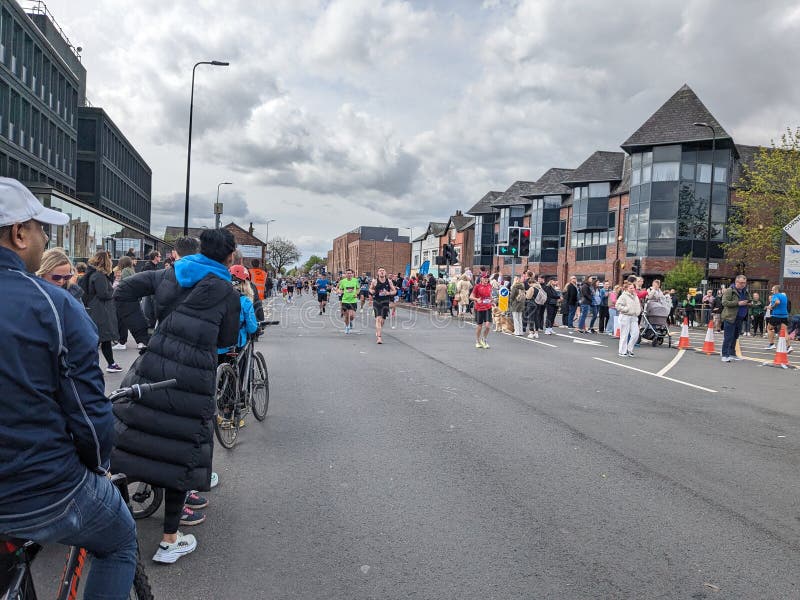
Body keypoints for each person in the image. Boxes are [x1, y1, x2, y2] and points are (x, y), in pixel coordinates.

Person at [0, 178, 138, 598]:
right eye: (40, 227)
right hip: (37, 487)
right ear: (19, 233)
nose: (44, 236)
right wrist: (98, 464)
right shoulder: (55, 305)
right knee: (118, 542)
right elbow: (89, 417)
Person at [112, 229, 240, 563]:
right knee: (181, 445)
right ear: (228, 256)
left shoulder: (170, 273)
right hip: (194, 373)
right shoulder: (226, 289)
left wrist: (144, 334)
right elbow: (227, 339)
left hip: (154, 360)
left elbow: (123, 291)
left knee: (136, 430)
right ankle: (170, 538)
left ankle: (117, 513)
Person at [83, 251, 123, 373]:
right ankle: (93, 365)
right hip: (100, 310)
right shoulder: (99, 276)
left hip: (97, 309)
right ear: (105, 261)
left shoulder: (94, 274)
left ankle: (110, 363)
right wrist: (114, 289)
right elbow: (103, 294)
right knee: (101, 338)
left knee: (102, 339)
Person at [720, 275, 752, 362]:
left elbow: (749, 299)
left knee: (735, 337)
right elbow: (724, 302)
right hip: (730, 317)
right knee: (728, 337)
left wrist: (749, 303)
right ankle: (724, 354)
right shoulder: (730, 290)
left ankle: (732, 353)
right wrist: (738, 303)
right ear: (736, 282)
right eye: (741, 283)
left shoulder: (745, 291)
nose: (742, 284)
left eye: (744, 283)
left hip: (740, 317)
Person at [113, 256, 136, 349]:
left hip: (123, 299)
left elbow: (125, 284)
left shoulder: (125, 271)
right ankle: (122, 341)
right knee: (125, 321)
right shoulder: (131, 270)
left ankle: (122, 342)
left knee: (121, 321)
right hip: (129, 299)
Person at [370, 267, 396, 344]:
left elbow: (394, 291)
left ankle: (378, 330)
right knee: (378, 319)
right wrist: (372, 291)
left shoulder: (389, 281)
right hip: (377, 302)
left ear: (385, 273)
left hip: (385, 302)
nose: (382, 272)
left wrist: (389, 293)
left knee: (382, 320)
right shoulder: (374, 281)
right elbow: (370, 289)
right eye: (380, 271)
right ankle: (379, 338)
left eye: (383, 271)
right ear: (378, 273)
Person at [615, 281, 642, 357]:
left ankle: (629, 349)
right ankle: (622, 351)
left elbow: (638, 305)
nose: (632, 289)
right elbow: (617, 305)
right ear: (626, 288)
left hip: (634, 317)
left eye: (633, 288)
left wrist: (638, 311)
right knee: (624, 334)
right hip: (625, 316)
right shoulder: (623, 296)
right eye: (630, 288)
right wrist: (626, 309)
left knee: (635, 334)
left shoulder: (635, 296)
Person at [764, 284, 792, 352]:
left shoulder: (775, 295)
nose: (772, 291)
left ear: (776, 290)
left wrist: (771, 307)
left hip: (776, 315)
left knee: (769, 328)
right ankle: (789, 346)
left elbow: (777, 302)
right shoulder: (784, 296)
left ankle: (771, 344)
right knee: (785, 331)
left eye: (773, 290)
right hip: (784, 316)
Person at [470, 273, 493, 348]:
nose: (486, 279)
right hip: (479, 308)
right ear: (481, 279)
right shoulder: (477, 286)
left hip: (488, 308)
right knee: (479, 326)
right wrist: (476, 299)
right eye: (484, 278)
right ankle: (477, 341)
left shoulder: (490, 286)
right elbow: (471, 296)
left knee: (487, 326)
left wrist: (492, 300)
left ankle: (484, 340)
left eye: (487, 278)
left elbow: (489, 296)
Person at [337, 268, 360, 334]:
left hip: (353, 301)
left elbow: (358, 289)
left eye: (350, 273)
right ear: (346, 274)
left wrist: (356, 294)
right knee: (347, 316)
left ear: (352, 274)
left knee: (352, 316)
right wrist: (339, 291)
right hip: (345, 300)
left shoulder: (355, 281)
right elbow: (340, 289)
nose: (349, 274)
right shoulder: (343, 281)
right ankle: (347, 327)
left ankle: (350, 321)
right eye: (348, 273)